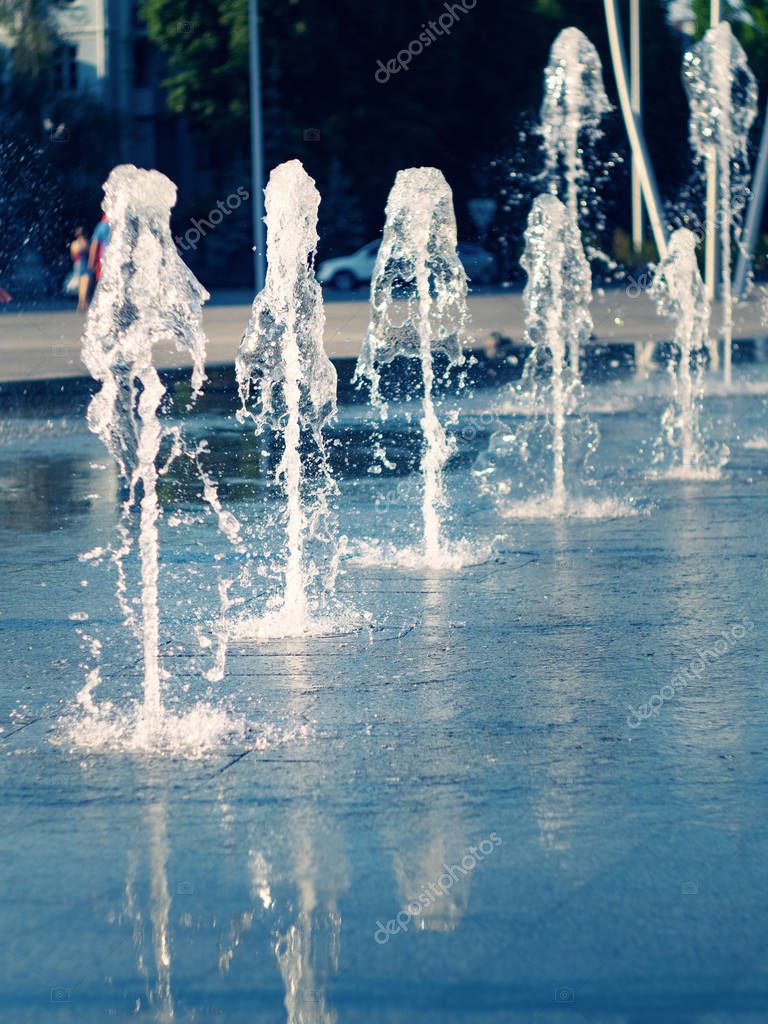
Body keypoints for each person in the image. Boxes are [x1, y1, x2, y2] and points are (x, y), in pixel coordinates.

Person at [70, 226, 89, 312]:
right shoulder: (81, 243)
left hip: (79, 263)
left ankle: (82, 302)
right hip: (81, 263)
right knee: (82, 283)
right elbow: (76, 254)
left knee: (82, 283)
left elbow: (73, 256)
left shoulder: (75, 243)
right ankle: (82, 302)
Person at [88, 215, 110, 286]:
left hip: (103, 262)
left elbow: (94, 246)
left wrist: (91, 264)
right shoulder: (121, 223)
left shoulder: (101, 226)